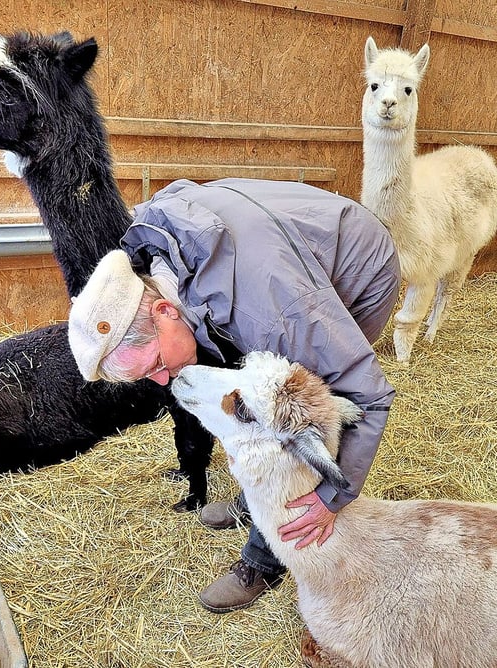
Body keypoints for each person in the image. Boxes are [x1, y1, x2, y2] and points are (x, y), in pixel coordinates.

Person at [67, 178, 399, 613]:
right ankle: (253, 500)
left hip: (357, 266)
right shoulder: (152, 259)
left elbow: (369, 395)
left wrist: (331, 498)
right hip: (290, 250)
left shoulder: (277, 315)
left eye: (157, 366)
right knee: (243, 396)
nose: (165, 381)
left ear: (165, 310)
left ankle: (266, 556)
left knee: (291, 404)